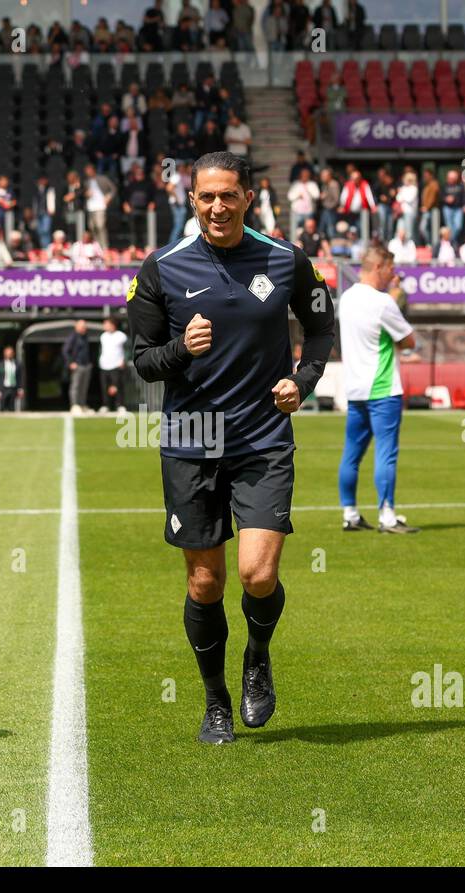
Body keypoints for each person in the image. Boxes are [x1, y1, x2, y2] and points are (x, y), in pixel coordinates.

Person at [128, 151, 335, 744]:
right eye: (205, 197)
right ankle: (216, 699)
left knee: (258, 575)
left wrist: (304, 378)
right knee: (204, 585)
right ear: (191, 201)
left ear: (250, 196)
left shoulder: (285, 259)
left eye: (228, 196)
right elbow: (142, 361)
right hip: (191, 440)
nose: (217, 207)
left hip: (263, 437)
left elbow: (321, 324)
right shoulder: (161, 268)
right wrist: (181, 350)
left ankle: (258, 656)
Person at [335, 246, 419, 534]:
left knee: (351, 454)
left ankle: (350, 513)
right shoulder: (383, 302)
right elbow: (410, 341)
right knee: (386, 453)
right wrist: (397, 301)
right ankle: (387, 515)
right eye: (391, 270)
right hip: (383, 389)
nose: (393, 276)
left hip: (355, 388)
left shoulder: (346, 298)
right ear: (379, 267)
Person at [62, 318, 93, 414]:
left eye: (85, 327)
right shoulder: (73, 337)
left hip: (86, 365)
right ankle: (74, 405)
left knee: (84, 387)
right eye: (83, 327)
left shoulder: (85, 336)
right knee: (75, 386)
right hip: (77, 365)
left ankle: (82, 404)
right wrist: (71, 362)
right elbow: (65, 351)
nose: (84, 328)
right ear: (77, 327)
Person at [98, 317, 127, 412]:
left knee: (118, 386)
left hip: (117, 365)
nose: (104, 326)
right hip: (104, 365)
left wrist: (124, 360)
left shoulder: (121, 336)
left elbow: (128, 349)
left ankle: (120, 405)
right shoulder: (103, 336)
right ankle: (105, 405)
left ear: (113, 325)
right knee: (104, 387)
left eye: (106, 324)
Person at [0, 344, 23, 412]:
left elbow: (19, 377)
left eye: (10, 353)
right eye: (7, 353)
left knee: (12, 407)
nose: (9, 355)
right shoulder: (0, 364)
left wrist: (20, 388)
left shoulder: (17, 364)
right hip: (4, 388)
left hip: (13, 387)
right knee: (3, 407)